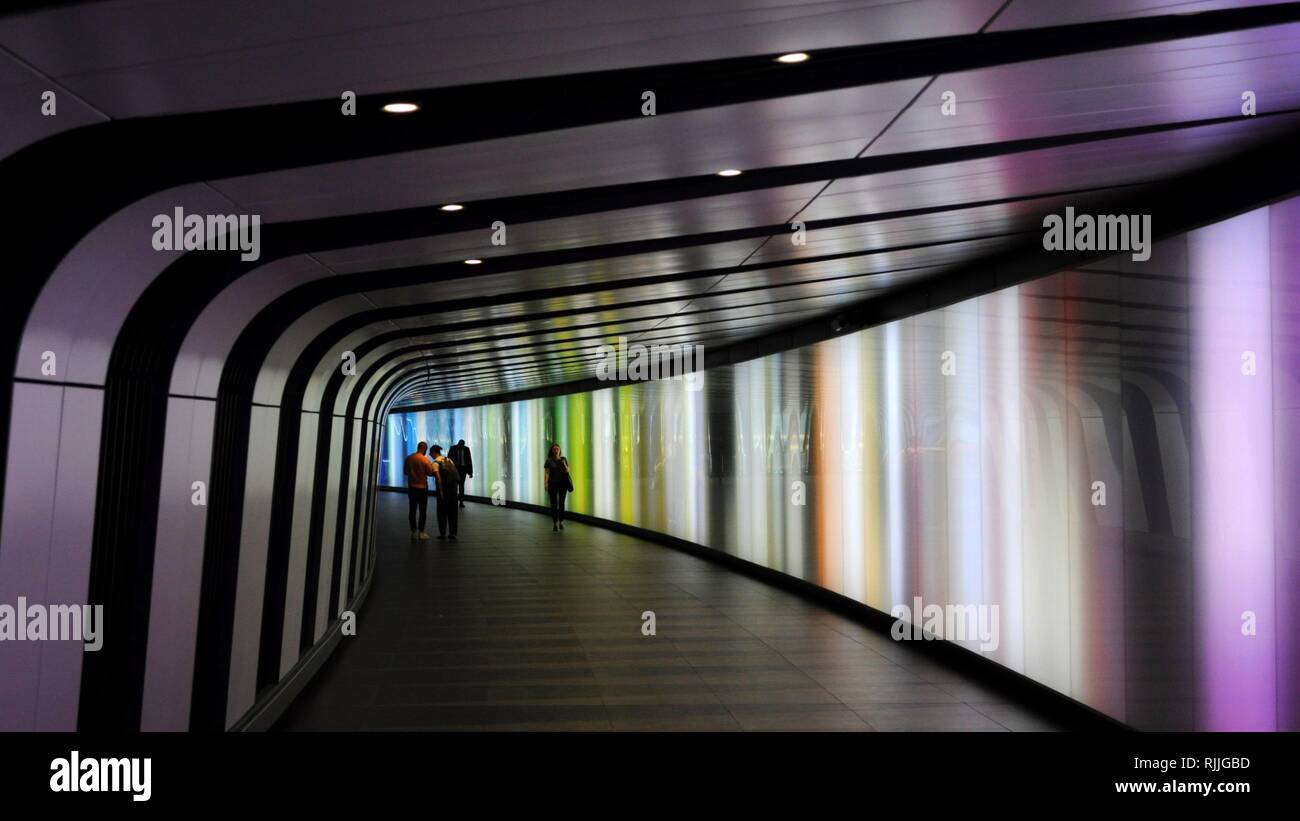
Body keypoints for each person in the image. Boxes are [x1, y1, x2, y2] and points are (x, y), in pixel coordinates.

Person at [403, 441, 435, 541]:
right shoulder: (425, 460)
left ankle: (413, 532)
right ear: (424, 449)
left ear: (417, 447)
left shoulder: (409, 458)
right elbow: (430, 473)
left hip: (412, 487)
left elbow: (405, 472)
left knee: (412, 510)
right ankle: (421, 532)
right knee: (422, 511)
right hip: (422, 488)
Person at [429, 444, 459, 541]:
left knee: (442, 512)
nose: (430, 455)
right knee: (453, 511)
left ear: (434, 452)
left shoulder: (435, 463)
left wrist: (441, 491)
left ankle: (442, 533)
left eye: (431, 453)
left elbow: (438, 478)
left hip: (444, 490)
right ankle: (453, 533)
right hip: (453, 490)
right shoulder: (448, 460)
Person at [543, 443, 571, 532]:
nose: (556, 450)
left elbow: (567, 470)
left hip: (563, 484)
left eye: (557, 449)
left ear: (560, 450)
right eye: (554, 449)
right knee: (554, 504)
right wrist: (546, 483)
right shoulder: (549, 461)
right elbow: (547, 473)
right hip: (552, 484)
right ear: (552, 450)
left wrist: (564, 464)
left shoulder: (564, 459)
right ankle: (555, 522)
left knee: (561, 502)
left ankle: (561, 522)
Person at [448, 439, 473, 508]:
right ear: (458, 444)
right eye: (460, 445)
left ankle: (461, 502)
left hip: (463, 470)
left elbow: (469, 460)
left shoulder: (466, 449)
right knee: (454, 486)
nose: (461, 446)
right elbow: (449, 459)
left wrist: (470, 472)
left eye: (462, 445)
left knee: (461, 486)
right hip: (455, 469)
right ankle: (454, 501)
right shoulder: (453, 448)